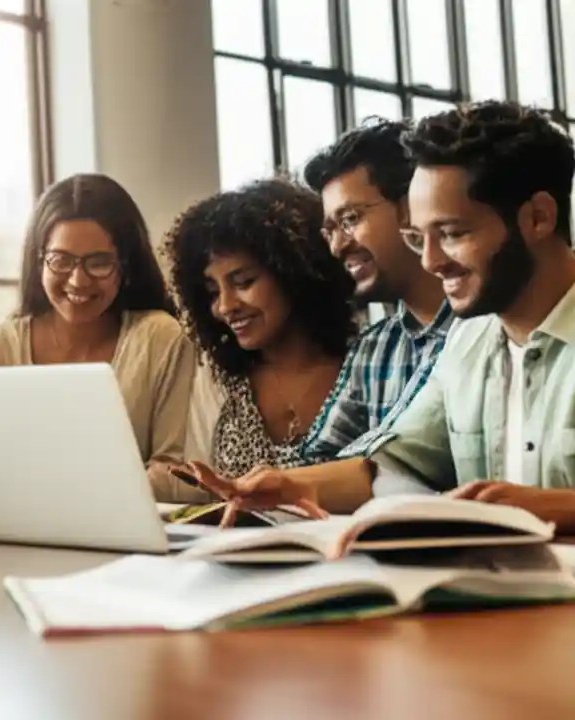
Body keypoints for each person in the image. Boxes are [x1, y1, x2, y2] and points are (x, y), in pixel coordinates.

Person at [191, 101, 575, 532]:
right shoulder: (470, 342)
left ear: (539, 217)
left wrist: (559, 507)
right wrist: (289, 484)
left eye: (451, 234)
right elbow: (389, 461)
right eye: (419, 237)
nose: (431, 262)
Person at [0, 174, 195, 504]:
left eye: (99, 263)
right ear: (39, 260)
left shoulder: (160, 338)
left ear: (126, 265)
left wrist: (63, 489)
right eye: (61, 261)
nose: (78, 280)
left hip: (124, 536)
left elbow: (174, 470)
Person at [163, 178, 357, 487]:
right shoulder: (219, 383)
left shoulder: (366, 366)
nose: (226, 306)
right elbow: (201, 493)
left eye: (244, 282)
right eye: (212, 292)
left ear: (292, 273)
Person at [300, 119, 456, 461]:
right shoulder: (374, 348)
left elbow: (391, 458)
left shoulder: (482, 329)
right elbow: (317, 459)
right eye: (330, 230)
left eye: (350, 219)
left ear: (413, 206)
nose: (338, 246)